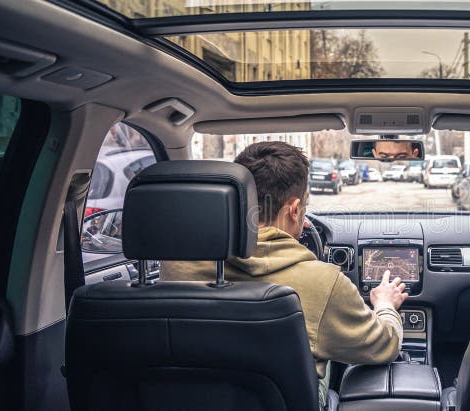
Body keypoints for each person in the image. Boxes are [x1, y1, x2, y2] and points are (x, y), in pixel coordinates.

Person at [161, 142, 407, 408]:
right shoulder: (324, 283)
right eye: (304, 208)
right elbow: (384, 346)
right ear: (294, 209)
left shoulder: (174, 264)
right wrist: (385, 305)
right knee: (327, 354)